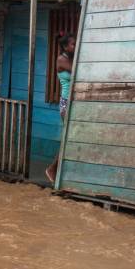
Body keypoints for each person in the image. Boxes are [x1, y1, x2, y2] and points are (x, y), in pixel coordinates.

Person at [45, 33, 76, 183]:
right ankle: (52, 168)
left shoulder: (71, 58)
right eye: (72, 45)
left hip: (75, 102)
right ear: (64, 46)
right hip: (66, 103)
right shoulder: (61, 60)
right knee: (68, 137)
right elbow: (78, 71)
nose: (75, 47)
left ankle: (61, 169)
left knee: (72, 136)